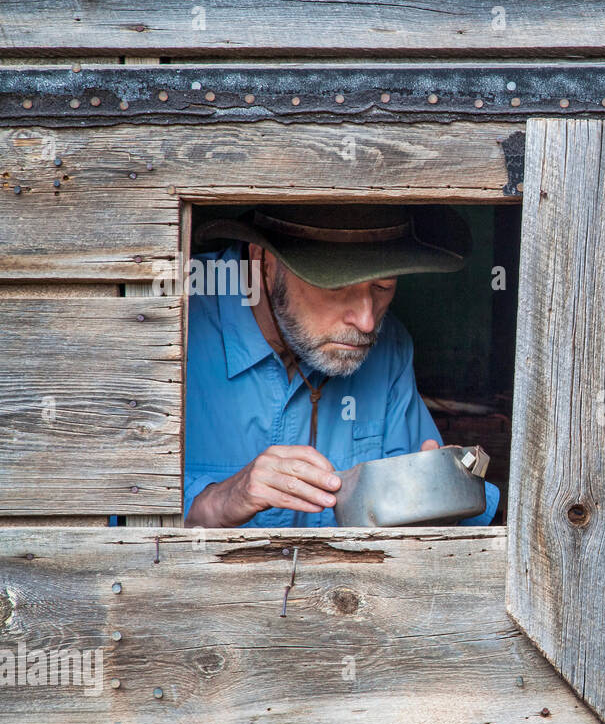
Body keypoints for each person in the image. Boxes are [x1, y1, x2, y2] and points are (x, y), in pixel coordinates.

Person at [183, 203, 499, 528]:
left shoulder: (388, 346)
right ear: (263, 262)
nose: (366, 322)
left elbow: (421, 527)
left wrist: (438, 499)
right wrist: (213, 504)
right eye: (336, 287)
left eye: (383, 286)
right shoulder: (170, 321)